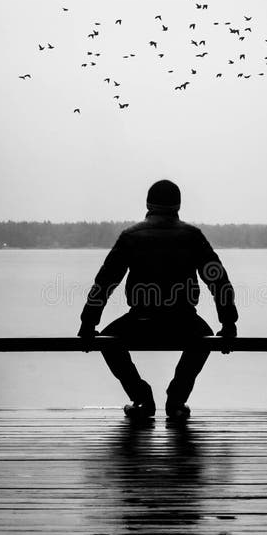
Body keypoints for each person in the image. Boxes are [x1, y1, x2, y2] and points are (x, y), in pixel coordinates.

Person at [77, 179, 238, 419]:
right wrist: (228, 323)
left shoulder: (131, 236)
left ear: (148, 205)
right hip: (183, 320)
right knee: (205, 338)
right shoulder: (193, 236)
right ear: (178, 206)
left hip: (141, 319)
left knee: (108, 341)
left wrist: (89, 323)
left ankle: (141, 397)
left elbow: (105, 281)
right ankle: (176, 399)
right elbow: (218, 280)